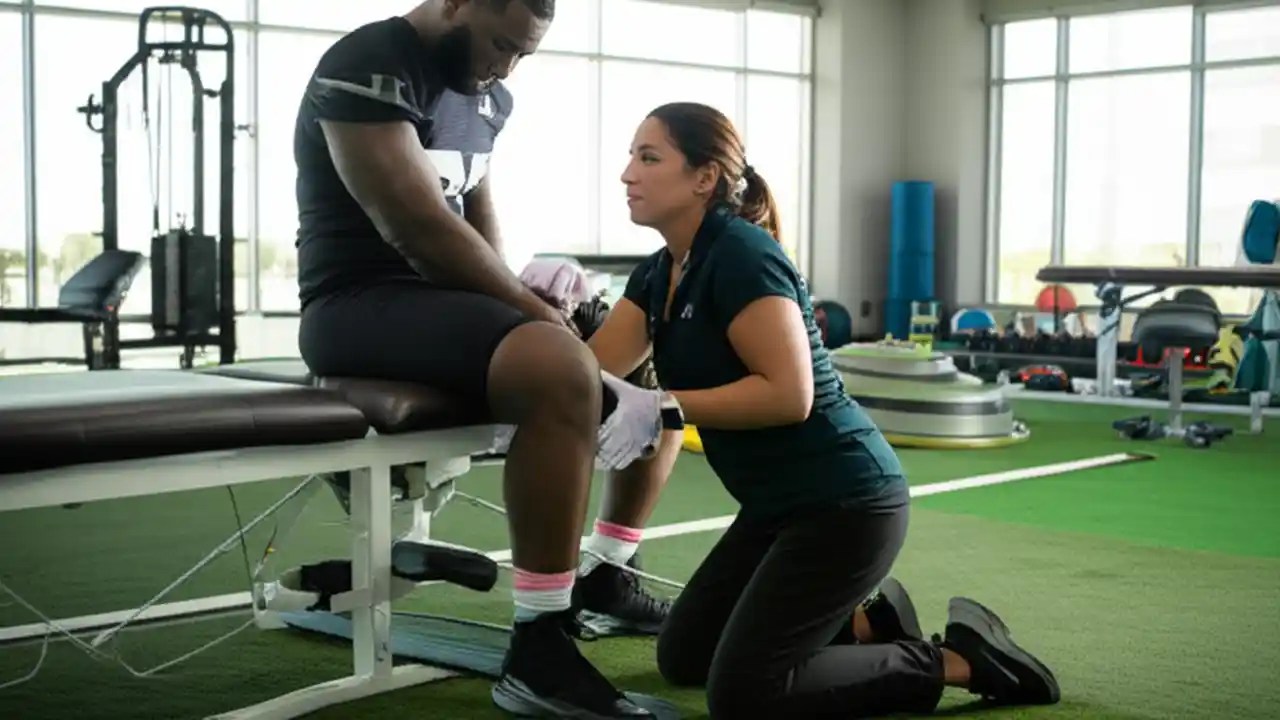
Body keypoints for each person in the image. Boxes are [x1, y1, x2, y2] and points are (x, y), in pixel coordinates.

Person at [584, 101, 1063, 718]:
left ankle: (960, 661)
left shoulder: (742, 255)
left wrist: (662, 406)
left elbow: (788, 394)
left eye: (648, 158)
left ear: (704, 177)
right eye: (631, 156)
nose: (628, 173)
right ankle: (870, 625)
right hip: (776, 511)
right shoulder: (659, 272)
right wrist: (537, 308)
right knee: (684, 657)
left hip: (846, 505)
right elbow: (593, 371)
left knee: (745, 695)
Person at [290, 1, 671, 716]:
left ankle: (609, 574)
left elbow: (471, 213)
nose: (508, 64)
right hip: (356, 307)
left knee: (635, 340)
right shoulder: (370, 63)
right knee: (559, 362)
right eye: (501, 44)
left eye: (524, 52)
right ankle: (540, 647)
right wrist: (542, 322)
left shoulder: (490, 97)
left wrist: (531, 287)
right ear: (456, 3)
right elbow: (418, 228)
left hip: (442, 308)